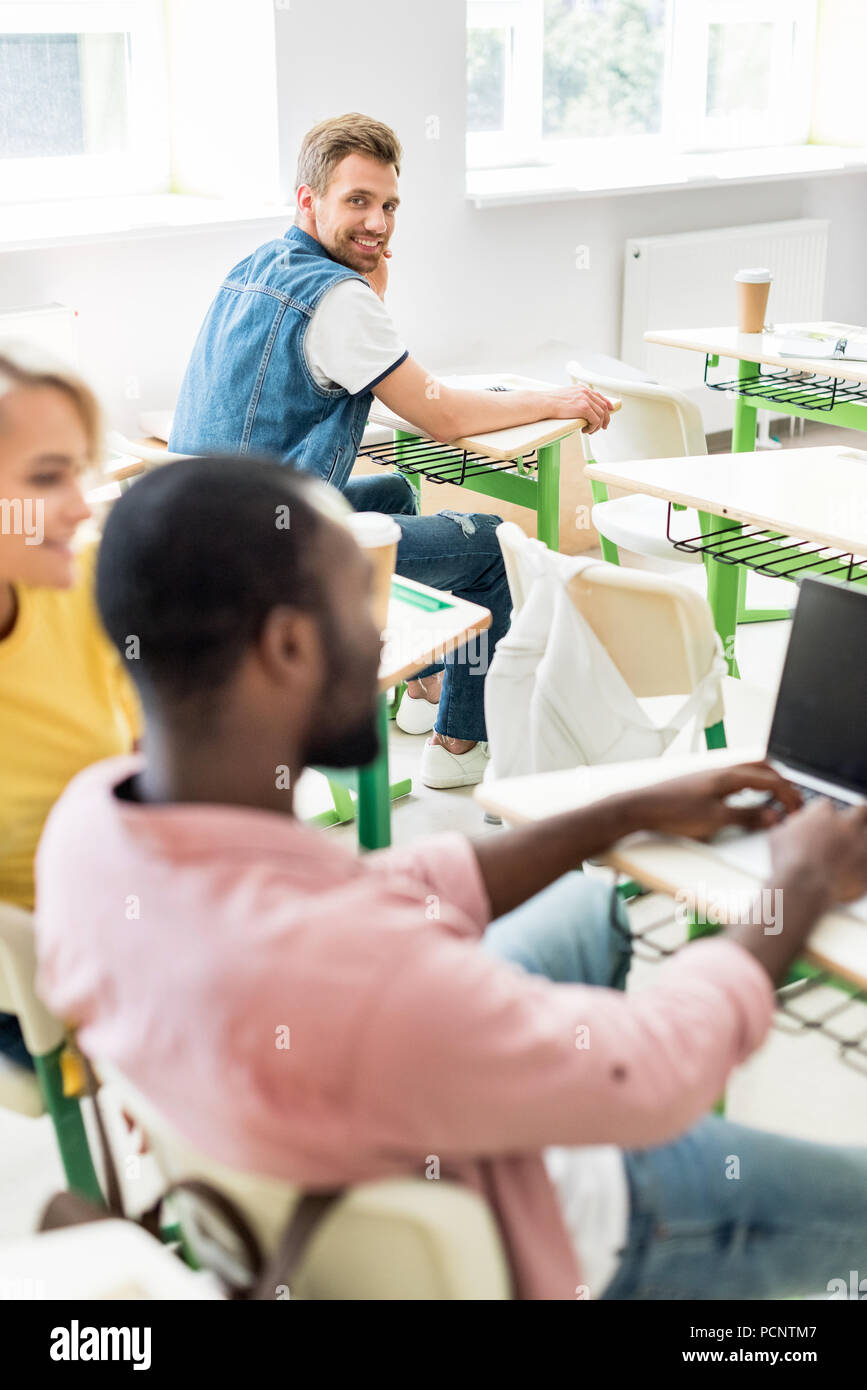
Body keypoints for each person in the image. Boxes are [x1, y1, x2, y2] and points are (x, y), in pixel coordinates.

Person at [35, 456, 867, 1300]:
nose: (381, 635)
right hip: (554, 1210)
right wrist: (790, 891)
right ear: (286, 644)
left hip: (324, 1119)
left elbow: (371, 900)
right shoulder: (355, 981)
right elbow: (653, 1072)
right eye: (362, 602)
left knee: (584, 906)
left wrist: (623, 811)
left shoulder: (87, 831)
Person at [169, 112, 614, 789]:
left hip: (198, 537)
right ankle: (460, 747)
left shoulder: (260, 264)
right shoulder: (338, 300)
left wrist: (369, 289)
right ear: (308, 199)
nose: (377, 222)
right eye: (357, 202)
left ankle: (426, 687)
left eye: (388, 206)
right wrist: (556, 402)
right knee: (492, 543)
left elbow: (370, 361)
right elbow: (441, 413)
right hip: (263, 562)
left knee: (391, 495)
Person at [0, 342, 140, 1069]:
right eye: (48, 477)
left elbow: (153, 768)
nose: (83, 505)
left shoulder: (81, 580)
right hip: (28, 987)